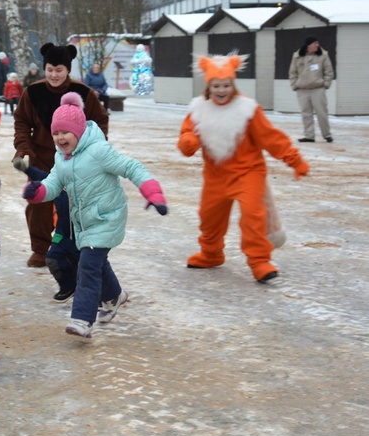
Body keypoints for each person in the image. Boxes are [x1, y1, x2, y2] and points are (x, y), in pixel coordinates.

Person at [22, 92, 168, 338]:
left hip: (106, 217)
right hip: (84, 223)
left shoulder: (99, 151)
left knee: (87, 267)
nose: (59, 137)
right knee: (95, 262)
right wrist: (38, 193)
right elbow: (54, 183)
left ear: (78, 132)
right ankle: (115, 296)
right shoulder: (62, 159)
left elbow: (131, 167)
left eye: (65, 132)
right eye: (56, 132)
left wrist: (152, 192)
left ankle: (82, 319)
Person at [178, 54, 309, 283]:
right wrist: (188, 141)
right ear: (209, 86)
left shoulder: (247, 110)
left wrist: (294, 159)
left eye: (226, 85)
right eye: (216, 85)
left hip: (249, 172)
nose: (221, 90)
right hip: (216, 176)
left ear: (233, 85)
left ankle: (259, 261)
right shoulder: (199, 109)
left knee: (252, 216)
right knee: (209, 218)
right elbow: (187, 135)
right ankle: (211, 254)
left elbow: (271, 138)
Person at [13, 42, 108, 268]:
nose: (54, 75)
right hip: (41, 159)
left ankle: (74, 248)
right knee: (38, 205)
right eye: (50, 70)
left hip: (74, 160)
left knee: (75, 206)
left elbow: (100, 121)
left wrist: (93, 148)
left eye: (59, 70)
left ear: (68, 70)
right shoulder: (33, 92)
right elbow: (22, 122)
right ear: (44, 68)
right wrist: (24, 149)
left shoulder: (83, 93)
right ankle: (40, 249)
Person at [14, 158, 79, 302]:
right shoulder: (58, 182)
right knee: (53, 257)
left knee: (84, 264)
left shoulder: (87, 184)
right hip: (62, 232)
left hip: (83, 234)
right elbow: (42, 176)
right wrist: (26, 169)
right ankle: (68, 286)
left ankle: (104, 293)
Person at [289, 36, 334, 143]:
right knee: (306, 114)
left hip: (318, 89)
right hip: (302, 90)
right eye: (315, 43)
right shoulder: (297, 56)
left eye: (317, 43)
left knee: (322, 113)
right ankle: (309, 136)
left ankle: (326, 134)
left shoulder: (323, 56)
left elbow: (329, 71)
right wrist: (294, 85)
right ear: (308, 45)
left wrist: (326, 84)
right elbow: (292, 72)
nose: (317, 45)